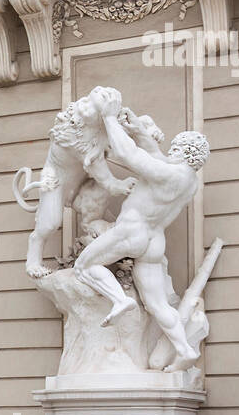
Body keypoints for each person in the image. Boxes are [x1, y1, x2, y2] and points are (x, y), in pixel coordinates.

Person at [72, 89, 211, 371]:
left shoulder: (170, 173)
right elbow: (156, 156)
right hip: (153, 241)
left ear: (182, 150)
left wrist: (110, 117)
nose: (170, 148)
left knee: (83, 267)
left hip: (131, 232)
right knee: (157, 304)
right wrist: (138, 128)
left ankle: (119, 300)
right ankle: (184, 350)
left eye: (175, 146)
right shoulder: (188, 180)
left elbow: (128, 154)